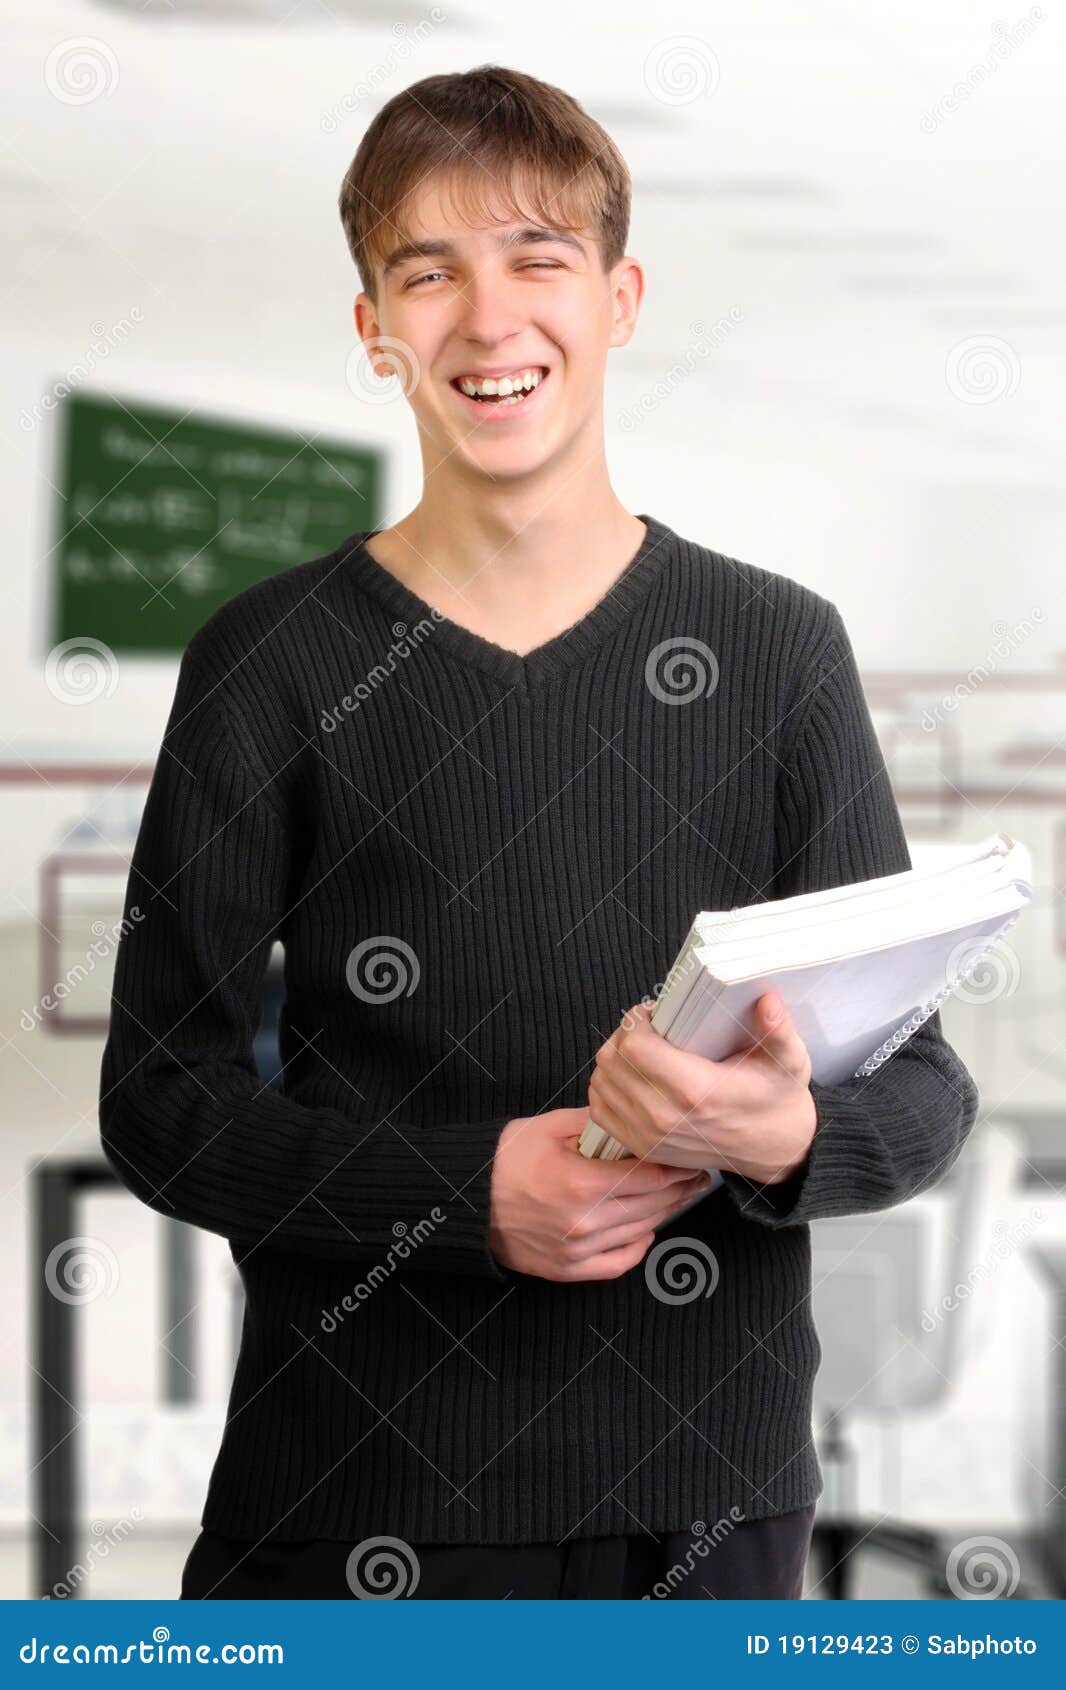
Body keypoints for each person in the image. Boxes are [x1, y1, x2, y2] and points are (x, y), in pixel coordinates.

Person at [98, 64, 978, 1601]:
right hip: (344, 1489)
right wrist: (460, 1198)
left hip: (698, 1509)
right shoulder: (270, 658)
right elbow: (160, 1101)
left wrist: (774, 1135)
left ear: (618, 297)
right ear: (373, 325)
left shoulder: (775, 650)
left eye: (536, 258)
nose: (487, 319)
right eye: (426, 272)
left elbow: (922, 1092)